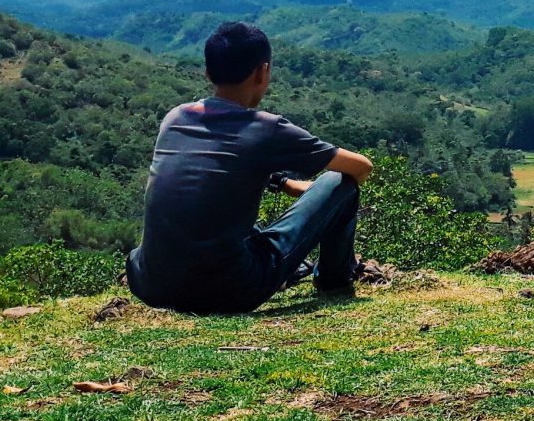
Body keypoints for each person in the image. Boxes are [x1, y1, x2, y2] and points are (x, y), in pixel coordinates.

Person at [125, 21, 374, 313]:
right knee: (339, 183)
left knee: (223, 223)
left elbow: (216, 172)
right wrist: (311, 190)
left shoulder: (175, 118)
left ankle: (293, 271)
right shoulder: (266, 128)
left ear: (208, 71)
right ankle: (333, 278)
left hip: (149, 283)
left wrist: (281, 182)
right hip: (230, 290)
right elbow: (361, 167)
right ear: (262, 71)